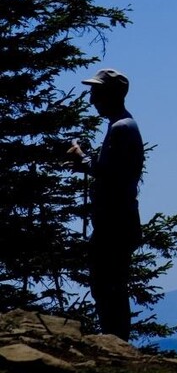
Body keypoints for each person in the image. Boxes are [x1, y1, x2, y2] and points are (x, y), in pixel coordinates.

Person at [67, 68, 144, 341]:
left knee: (107, 284)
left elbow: (108, 172)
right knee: (112, 284)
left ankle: (115, 342)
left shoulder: (121, 128)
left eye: (96, 92)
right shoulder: (123, 125)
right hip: (120, 219)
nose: (92, 99)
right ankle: (116, 340)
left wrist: (81, 158)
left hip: (114, 221)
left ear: (110, 95)